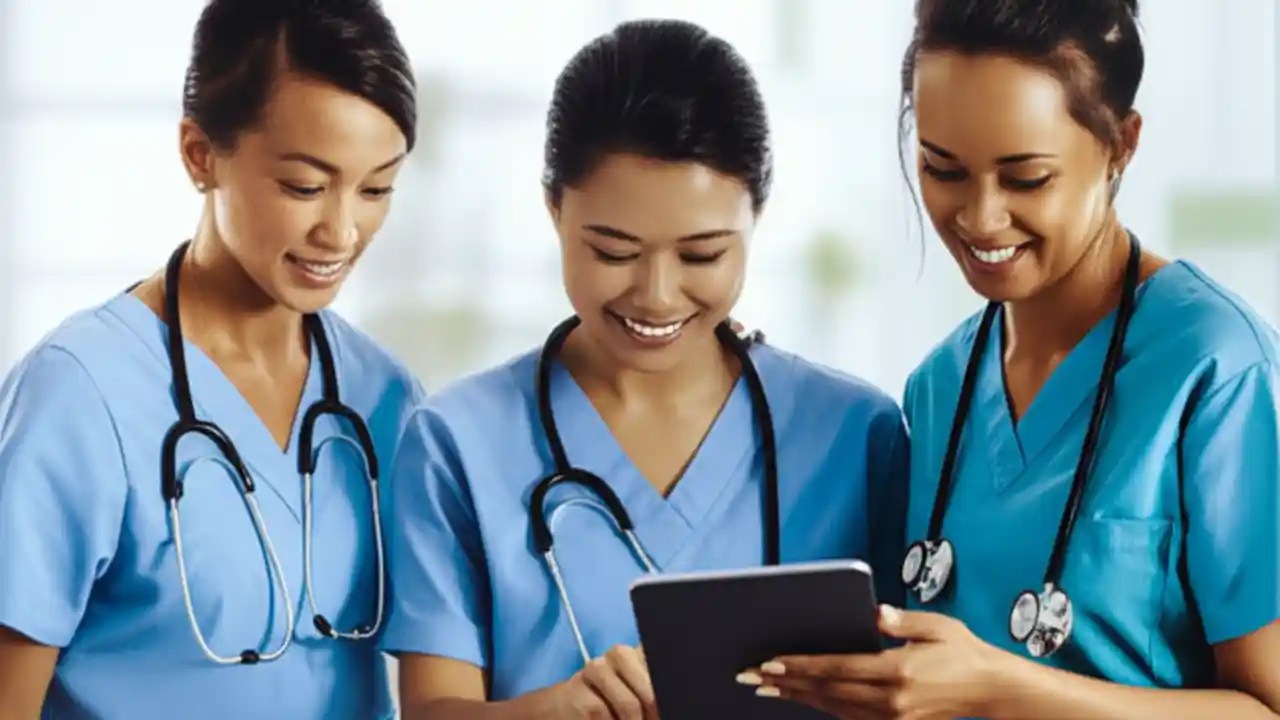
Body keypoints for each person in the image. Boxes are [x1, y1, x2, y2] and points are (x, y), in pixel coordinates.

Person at [737, 0, 1280, 717]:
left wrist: (997, 685)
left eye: (1026, 179)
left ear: (1121, 145)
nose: (979, 217)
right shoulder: (940, 385)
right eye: (943, 169)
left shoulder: (1218, 368)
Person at [381, 18, 909, 720]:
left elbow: (917, 689)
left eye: (701, 255)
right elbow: (430, 710)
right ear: (554, 209)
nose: (657, 295)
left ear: (757, 217)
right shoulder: (458, 442)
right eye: (614, 252)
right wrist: (556, 710)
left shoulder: (857, 436)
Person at [0, 1, 421, 717]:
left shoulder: (383, 394)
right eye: (305, 186)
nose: (343, 231)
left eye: (376, 188)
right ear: (200, 154)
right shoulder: (81, 392)